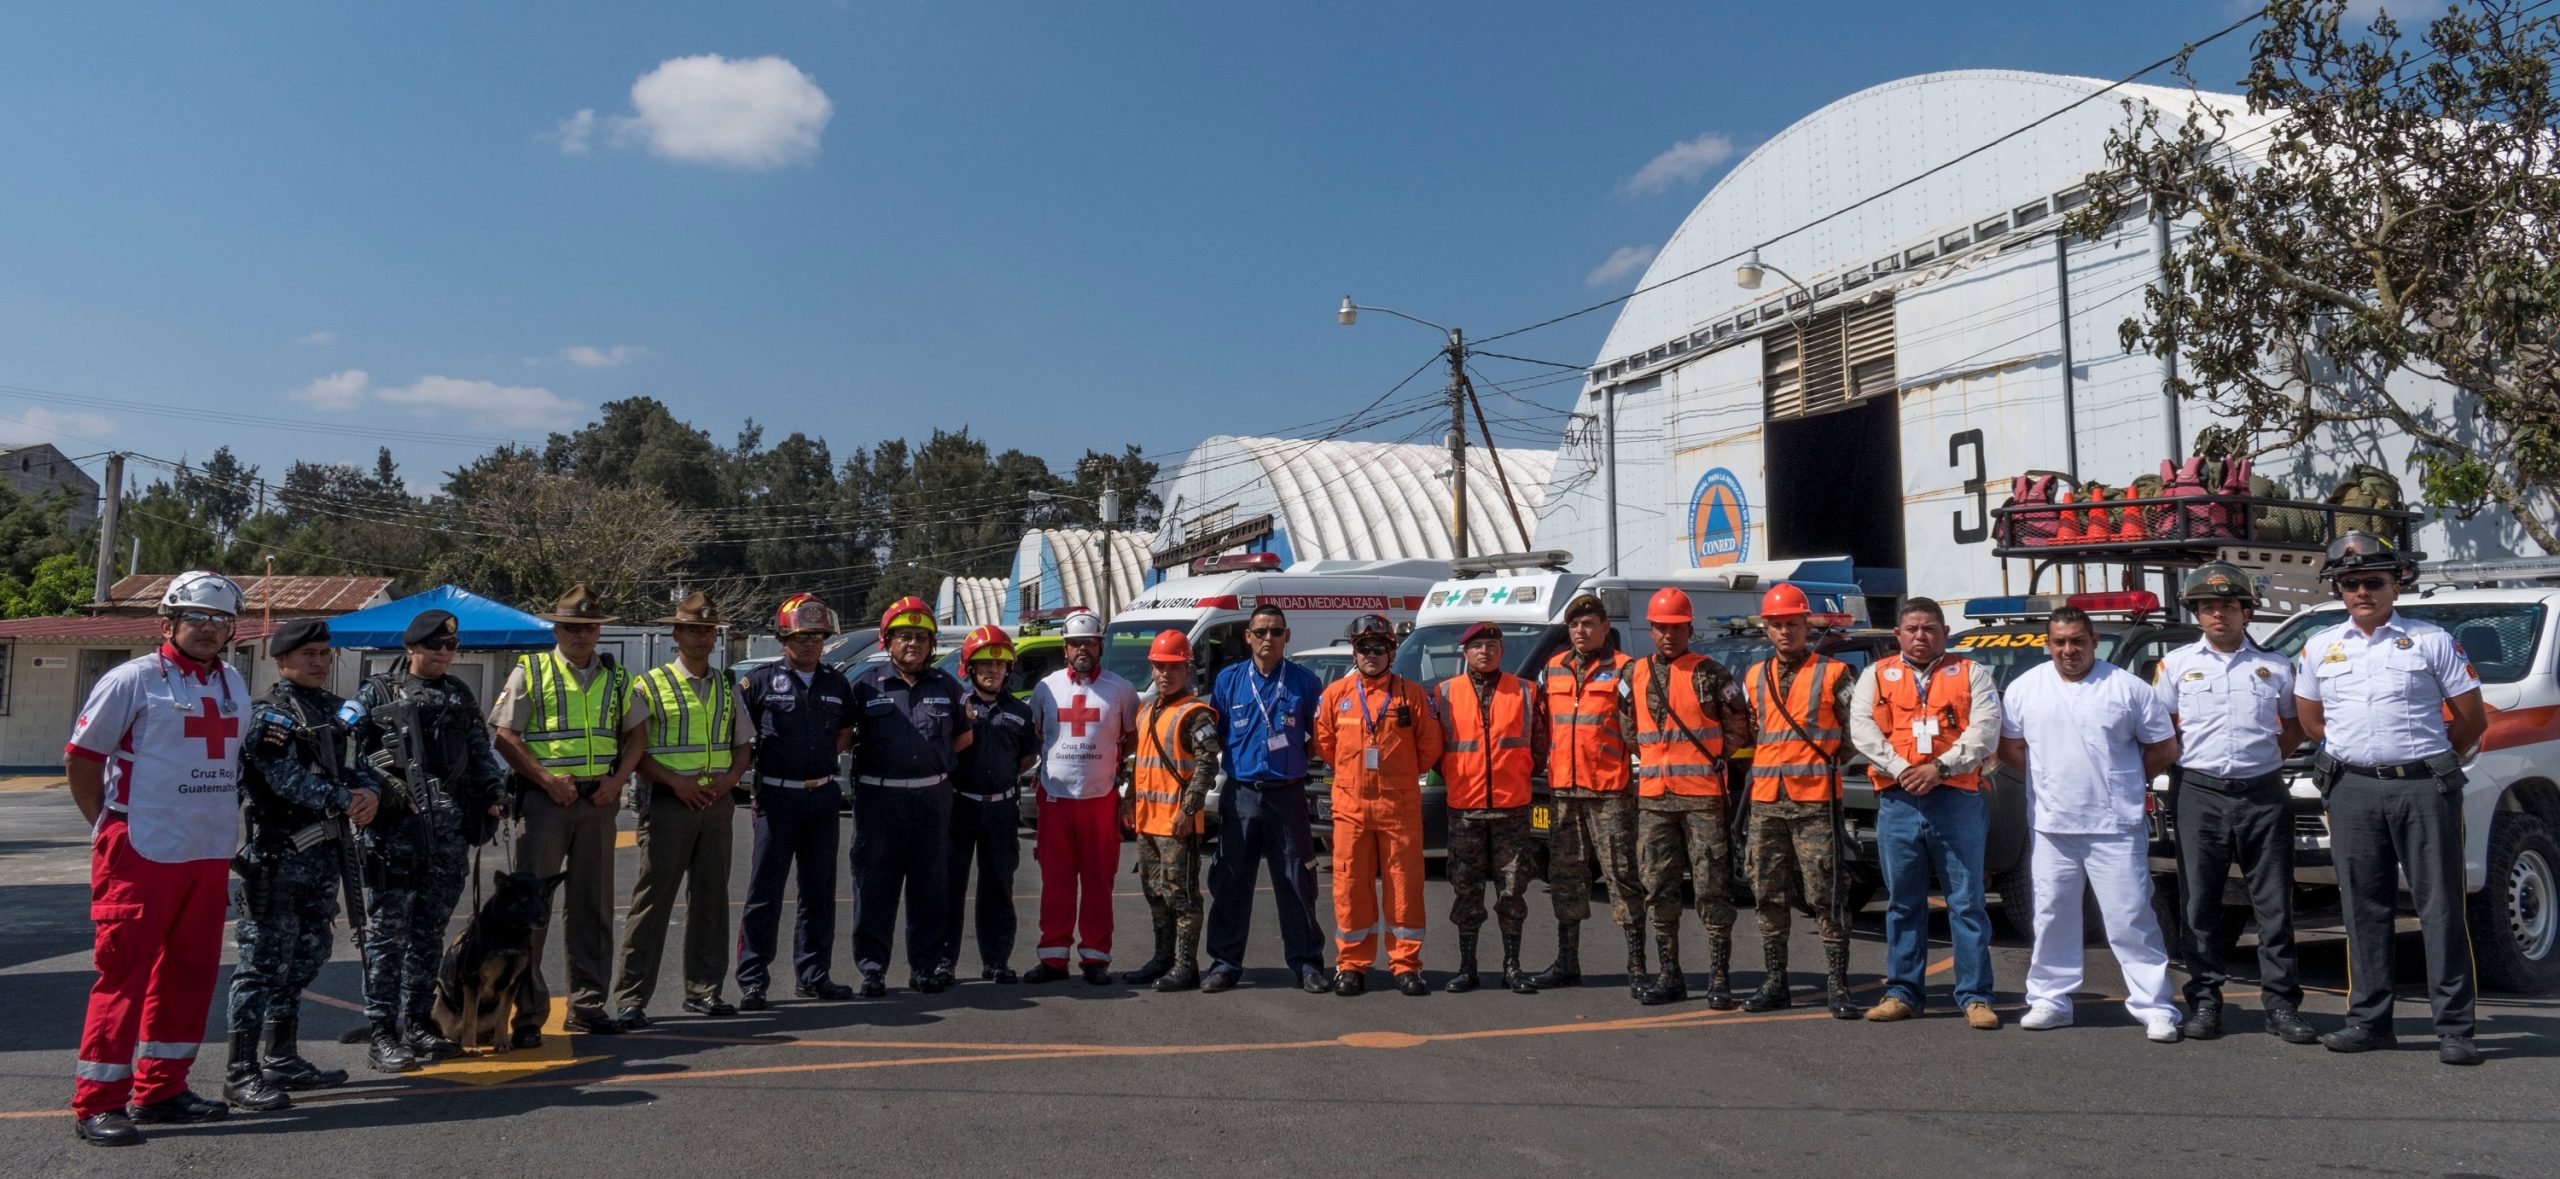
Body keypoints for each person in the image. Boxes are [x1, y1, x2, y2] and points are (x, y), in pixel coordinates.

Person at [65, 572, 253, 1146]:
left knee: (190, 975)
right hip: (140, 847)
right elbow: (82, 759)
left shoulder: (234, 683)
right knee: (123, 974)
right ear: (167, 622)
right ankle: (98, 1101)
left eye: (220, 621)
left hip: (206, 849)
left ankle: (163, 1089)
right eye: (196, 618)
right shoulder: (132, 679)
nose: (208, 629)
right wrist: (107, 825)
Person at [2295, 532, 2488, 1065]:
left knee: (2440, 907)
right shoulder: (2320, 646)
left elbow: (2472, 719)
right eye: (2350, 583)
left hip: (2422, 788)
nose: (2362, 591)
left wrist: (2426, 762)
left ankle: (2455, 1027)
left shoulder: (2431, 641)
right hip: (2352, 789)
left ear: (2396, 584)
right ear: (2339, 588)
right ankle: (2370, 1021)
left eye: (2373, 581)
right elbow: (2312, 719)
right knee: (2363, 909)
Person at [1997, 606, 2183, 1042]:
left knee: (2130, 916)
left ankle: (2155, 1006)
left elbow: (2164, 748)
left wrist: (2126, 779)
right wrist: (2052, 779)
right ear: (2048, 644)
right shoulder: (2026, 688)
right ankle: (2050, 1000)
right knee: (2052, 914)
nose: (2068, 650)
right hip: (2051, 826)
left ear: (2093, 640)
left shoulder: (2127, 688)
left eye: (2077, 641)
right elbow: (2010, 748)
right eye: (2059, 642)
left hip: (2114, 826)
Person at [223, 618, 383, 1112]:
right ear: (282, 660)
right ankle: (241, 1071)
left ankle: (282, 1056)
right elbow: (283, 779)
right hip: (278, 857)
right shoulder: (270, 714)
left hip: (322, 859)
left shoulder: (335, 711)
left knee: (308, 955)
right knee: (260, 966)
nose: (318, 662)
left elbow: (360, 763)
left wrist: (371, 792)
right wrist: (344, 796)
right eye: (308, 653)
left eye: (324, 654)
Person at [2155, 563, 2317, 1045]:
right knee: (2200, 903)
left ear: (2246, 611)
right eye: (2207, 607)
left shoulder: (2277, 666)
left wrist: (2263, 759)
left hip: (2263, 794)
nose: (2218, 614)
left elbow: (2294, 724)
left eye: (2228, 605)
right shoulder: (2177, 664)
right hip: (2198, 793)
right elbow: (2161, 726)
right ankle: (2204, 1000)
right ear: (2197, 614)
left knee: (2274, 905)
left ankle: (2282, 1005)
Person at [354, 608, 509, 1070]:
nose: (442, 654)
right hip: (396, 837)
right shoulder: (378, 691)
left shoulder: (459, 695)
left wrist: (493, 793)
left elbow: (480, 753)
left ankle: (418, 1022)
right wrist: (386, 785)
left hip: (447, 837)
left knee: (428, 935)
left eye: (449, 647)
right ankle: (383, 1031)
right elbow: (349, 750)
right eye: (432, 646)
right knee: (387, 937)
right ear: (411, 649)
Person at [1850, 597, 2004, 1029]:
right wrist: (1903, 771)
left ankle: (1975, 996)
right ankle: (1902, 992)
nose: (1921, 636)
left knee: (1967, 901)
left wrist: (1938, 769)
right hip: (1898, 801)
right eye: (1912, 629)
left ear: (1945, 633)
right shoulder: (1875, 676)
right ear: (1897, 634)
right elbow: (1862, 730)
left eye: (1930, 628)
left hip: (1956, 799)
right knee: (1903, 902)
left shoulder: (1972, 673)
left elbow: (1985, 729)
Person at [489, 582, 632, 1042]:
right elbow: (504, 736)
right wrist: (547, 780)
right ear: (556, 628)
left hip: (598, 803)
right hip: (546, 801)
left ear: (599, 632)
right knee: (530, 911)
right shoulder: (530, 671)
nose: (582, 634)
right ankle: (527, 1016)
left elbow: (639, 734)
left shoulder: (616, 676)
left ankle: (587, 1005)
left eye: (590, 626)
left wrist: (618, 780)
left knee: (593, 905)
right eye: (572, 626)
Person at [610, 592, 753, 1024]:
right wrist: (676, 782)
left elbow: (743, 744)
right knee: (652, 903)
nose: (702, 636)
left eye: (708, 630)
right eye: (693, 629)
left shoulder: (728, 686)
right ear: (676, 634)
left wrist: (730, 780)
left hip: (716, 805)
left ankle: (704, 991)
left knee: (711, 901)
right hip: (670, 804)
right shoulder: (648, 685)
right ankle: (631, 998)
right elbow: (634, 750)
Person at [1739, 584, 1863, 1019]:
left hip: (1815, 802)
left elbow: (1854, 735)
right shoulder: (1754, 675)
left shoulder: (1834, 673)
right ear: (1766, 629)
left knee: (1826, 894)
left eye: (1792, 623)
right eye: (1776, 625)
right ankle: (1776, 982)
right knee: (1767, 894)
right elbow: (1756, 730)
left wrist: (1828, 762)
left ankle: (1837, 986)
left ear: (1806, 624)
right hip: (1768, 803)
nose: (1784, 631)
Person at [1627, 588, 1752, 1007]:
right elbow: (1628, 726)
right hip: (1654, 801)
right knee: (1658, 889)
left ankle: (1719, 979)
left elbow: (1739, 725)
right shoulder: (1635, 674)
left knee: (1712, 890)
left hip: (1702, 799)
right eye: (1660, 628)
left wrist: (1716, 757)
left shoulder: (1713, 673)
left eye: (1675, 628)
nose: (1667, 635)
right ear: (1651, 629)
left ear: (1688, 629)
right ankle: (1670, 976)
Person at [735, 593, 857, 1008]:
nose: (810, 644)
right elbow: (741, 741)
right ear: (782, 637)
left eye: (817, 637)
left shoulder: (837, 683)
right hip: (775, 799)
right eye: (801, 636)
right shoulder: (758, 683)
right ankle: (753, 979)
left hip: (822, 798)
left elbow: (845, 733)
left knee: (819, 891)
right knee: (764, 891)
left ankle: (813, 974)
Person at [1202, 604, 1331, 995]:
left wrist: (1290, 760)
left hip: (1287, 795)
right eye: (1261, 632)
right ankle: (1225, 963)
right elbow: (1216, 736)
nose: (1268, 639)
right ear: (1248, 637)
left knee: (1297, 881)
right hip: (1240, 794)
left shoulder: (1305, 683)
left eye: (1276, 632)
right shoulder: (1228, 681)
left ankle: (1307, 963)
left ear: (1287, 637)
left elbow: (1319, 739)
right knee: (1231, 880)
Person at [846, 596, 971, 995]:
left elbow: (963, 737)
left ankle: (926, 966)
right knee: (874, 888)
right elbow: (846, 738)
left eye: (921, 637)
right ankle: (872, 969)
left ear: (931, 644)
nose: (913, 644)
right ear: (887, 641)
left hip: (932, 802)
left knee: (929, 887)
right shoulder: (864, 686)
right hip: (879, 802)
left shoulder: (948, 686)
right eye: (903, 636)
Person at [1314, 614, 1443, 996]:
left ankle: (1406, 966)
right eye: (1364, 649)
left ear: (1392, 651)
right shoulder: (1336, 695)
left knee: (1405, 888)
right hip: (1350, 808)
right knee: (1351, 886)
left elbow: (1429, 747)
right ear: (1354, 652)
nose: (1371, 655)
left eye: (1379, 649)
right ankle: (1352, 965)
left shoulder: (1413, 696)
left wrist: (1398, 776)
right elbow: (1325, 744)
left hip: (1398, 809)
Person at [1534, 592, 1642, 990]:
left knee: (1622, 877)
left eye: (1589, 624)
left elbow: (1637, 731)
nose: (1581, 630)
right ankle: (1567, 961)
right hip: (1564, 792)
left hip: (1609, 793)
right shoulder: (1553, 669)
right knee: (1565, 877)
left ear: (1604, 628)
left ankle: (1637, 964)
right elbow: (1543, 727)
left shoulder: (1626, 670)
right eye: (1575, 625)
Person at [1430, 622, 1545, 995]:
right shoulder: (1444, 693)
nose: (1485, 652)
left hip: (1511, 809)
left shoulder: (1526, 692)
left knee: (1512, 891)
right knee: (1466, 890)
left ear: (1502, 651)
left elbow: (1541, 746)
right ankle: (1467, 967)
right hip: (1466, 809)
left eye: (1492, 646)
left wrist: (1519, 774)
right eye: (1477, 646)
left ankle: (1513, 966)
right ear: (1465, 653)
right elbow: (1435, 751)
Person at [1027, 608, 1136, 983]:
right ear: (1065, 649)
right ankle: (1053, 957)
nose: (1082, 650)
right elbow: (1040, 738)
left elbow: (1130, 740)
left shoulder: (1121, 690)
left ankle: (1095, 957)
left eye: (1089, 642)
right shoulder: (1046, 688)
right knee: (1055, 881)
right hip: (1055, 800)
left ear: (1100, 645)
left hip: (1100, 799)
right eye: (1075, 644)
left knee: (1097, 881)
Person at [1122, 630, 1220, 991]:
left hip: (1177, 824)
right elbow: (1140, 764)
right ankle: (1162, 959)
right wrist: (1129, 801)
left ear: (1187, 669)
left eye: (1174, 667)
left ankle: (1185, 966)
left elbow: (1208, 766)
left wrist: (1188, 809)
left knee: (1181, 897)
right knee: (1155, 893)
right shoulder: (1147, 711)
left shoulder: (1194, 714)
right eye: (1160, 667)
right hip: (1149, 823)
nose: (1165, 674)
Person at [944, 624, 1038, 984]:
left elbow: (1027, 756)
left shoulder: (1020, 711)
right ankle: (944, 961)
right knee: (951, 886)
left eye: (999, 665)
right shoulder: (957, 707)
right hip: (959, 808)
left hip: (1001, 811)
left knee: (999, 886)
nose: (992, 671)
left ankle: (996, 960)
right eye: (984, 664)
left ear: (1008, 669)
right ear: (969, 668)